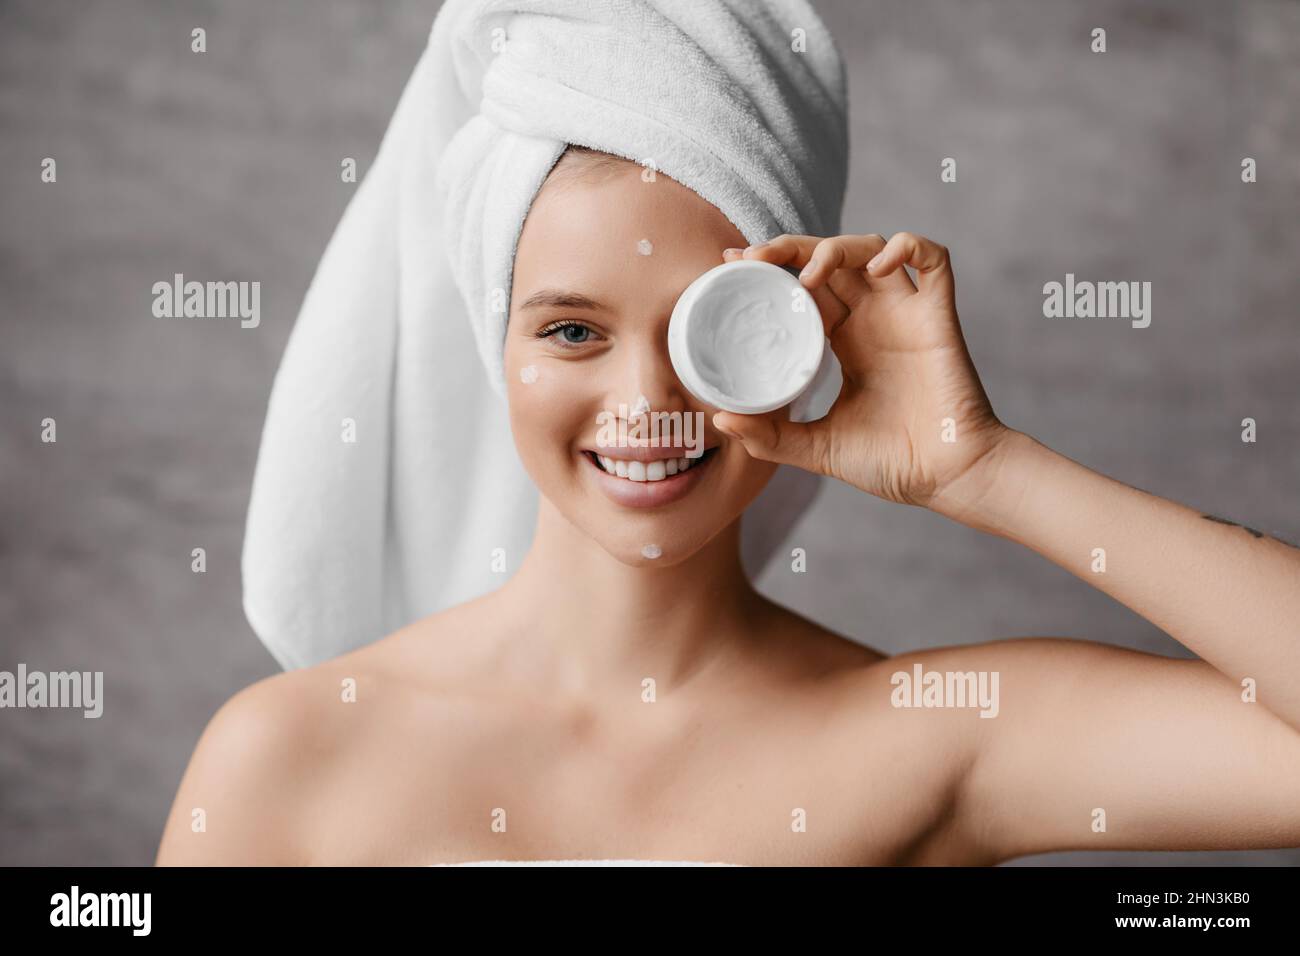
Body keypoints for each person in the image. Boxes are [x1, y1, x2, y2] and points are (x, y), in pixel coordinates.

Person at [156, 143, 1300, 866]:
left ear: (795, 346)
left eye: (712, 324)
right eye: (570, 330)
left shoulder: (934, 734)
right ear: (491, 346)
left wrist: (983, 468)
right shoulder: (290, 752)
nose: (646, 396)